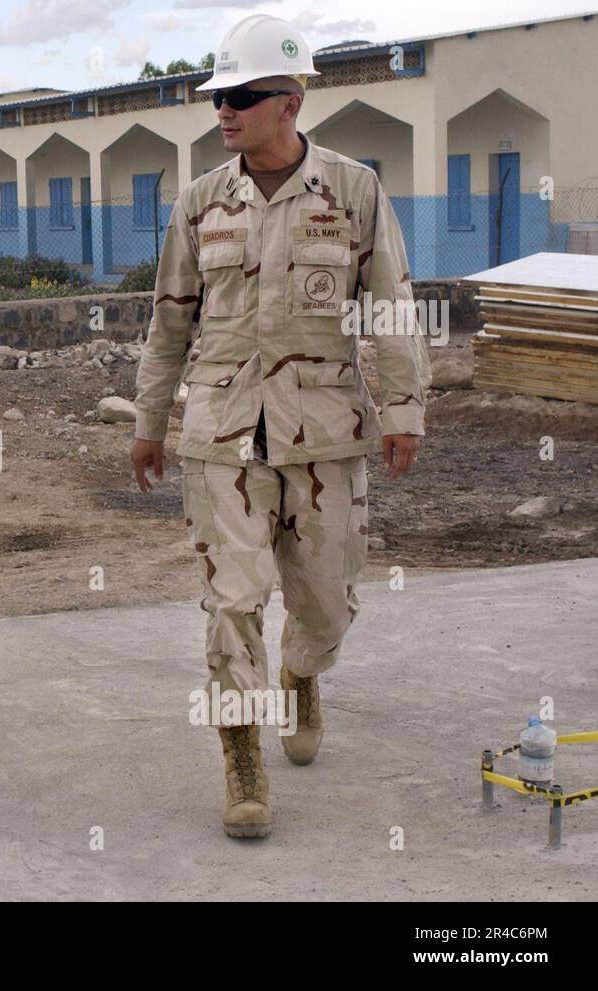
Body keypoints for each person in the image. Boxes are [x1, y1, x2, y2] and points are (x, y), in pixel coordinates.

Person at [130, 14, 430, 838]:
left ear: (290, 103)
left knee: (326, 602)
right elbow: (168, 324)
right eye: (218, 97)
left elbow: (393, 306)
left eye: (241, 96)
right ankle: (241, 755)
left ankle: (301, 671)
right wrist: (149, 421)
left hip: (326, 432)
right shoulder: (199, 203)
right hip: (221, 434)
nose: (223, 111)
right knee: (233, 599)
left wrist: (404, 408)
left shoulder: (355, 190)